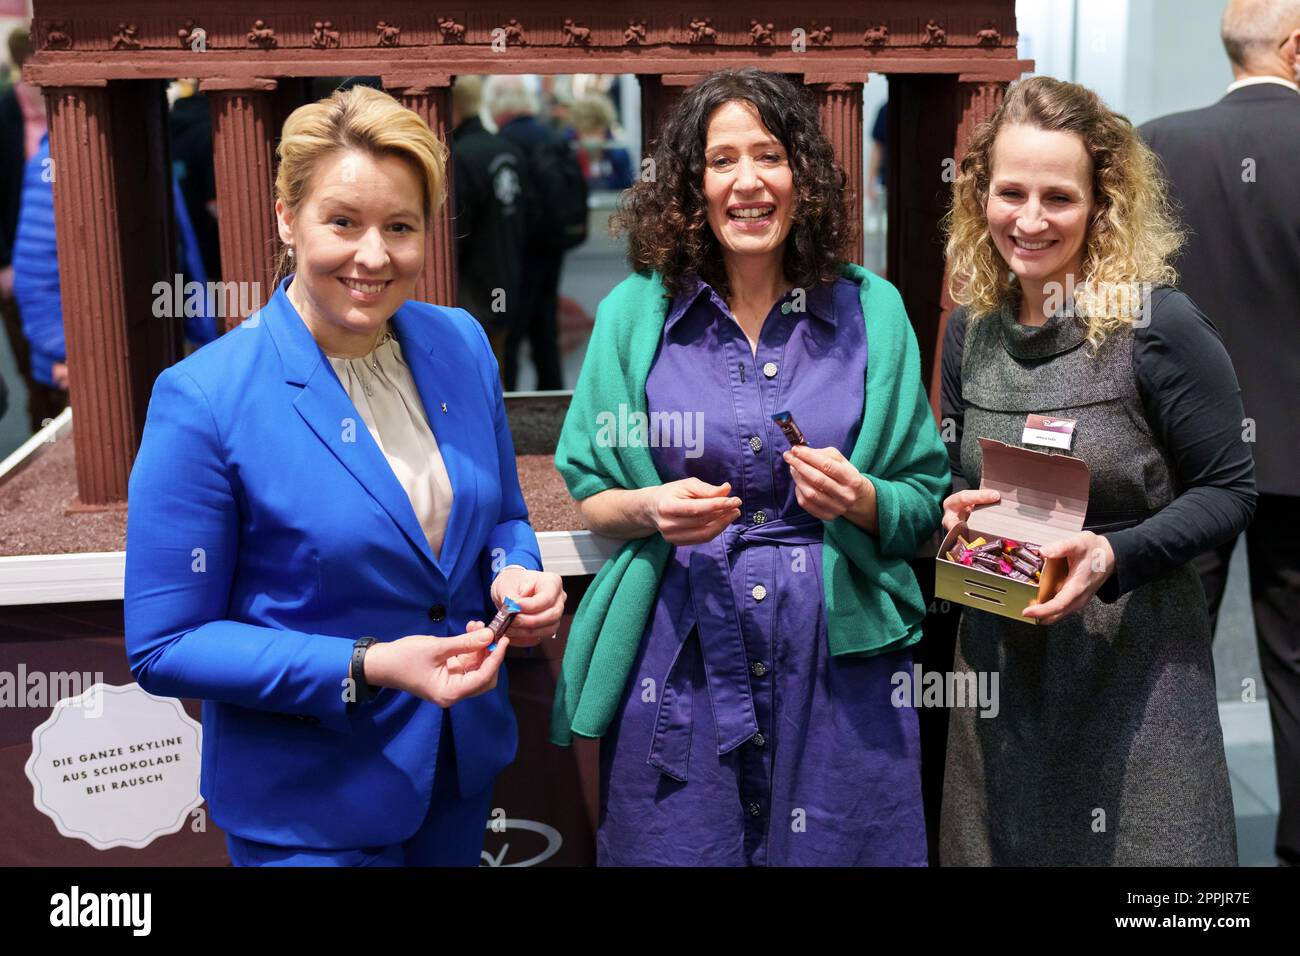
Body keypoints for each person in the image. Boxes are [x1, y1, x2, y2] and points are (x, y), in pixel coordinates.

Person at [124, 85, 566, 867]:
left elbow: (502, 521)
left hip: (457, 778)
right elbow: (166, 645)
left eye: (400, 227)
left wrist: (518, 578)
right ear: (285, 218)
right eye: (343, 222)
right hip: (309, 809)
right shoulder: (204, 397)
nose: (373, 255)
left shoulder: (459, 342)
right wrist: (368, 664)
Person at [551, 68, 949, 866]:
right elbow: (592, 491)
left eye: (767, 155)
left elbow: (923, 503)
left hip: (842, 660)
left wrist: (864, 498)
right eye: (721, 160)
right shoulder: (638, 312)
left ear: (801, 174)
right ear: (694, 186)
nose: (747, 181)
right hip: (682, 651)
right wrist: (652, 507)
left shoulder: (874, 311)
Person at [938, 75, 1257, 865]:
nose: (1031, 219)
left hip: (1137, 679)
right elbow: (955, 469)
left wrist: (1114, 552)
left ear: (1102, 203)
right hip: (1002, 675)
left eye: (1060, 197)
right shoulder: (969, 330)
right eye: (1011, 192)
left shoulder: (1158, 326)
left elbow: (1230, 490)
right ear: (981, 196)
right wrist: (955, 508)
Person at [1139, 0, 1300, 867]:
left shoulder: (1155, 146)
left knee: (1165, 658)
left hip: (1182, 461)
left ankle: (1159, 841)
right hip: (1299, 460)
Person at [486, 76, 588, 391]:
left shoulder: (505, 143)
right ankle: (553, 402)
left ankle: (511, 406)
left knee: (512, 332)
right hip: (554, 245)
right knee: (545, 328)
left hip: (520, 249)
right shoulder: (551, 135)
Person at [451, 75, 531, 367]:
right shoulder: (507, 149)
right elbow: (528, 218)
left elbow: (454, 233)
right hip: (508, 282)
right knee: (498, 372)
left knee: (473, 377)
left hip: (469, 295)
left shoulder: (457, 157)